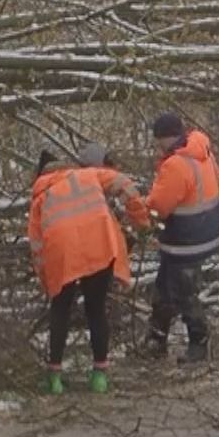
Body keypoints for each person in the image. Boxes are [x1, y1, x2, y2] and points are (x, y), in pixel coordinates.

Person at [28, 145, 150, 394]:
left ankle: (54, 378)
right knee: (96, 309)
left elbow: (37, 248)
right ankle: (99, 376)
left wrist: (47, 282)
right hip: (100, 245)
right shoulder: (88, 175)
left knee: (60, 309)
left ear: (41, 175)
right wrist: (141, 221)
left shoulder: (40, 196)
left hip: (63, 253)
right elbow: (123, 183)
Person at [142, 112, 219, 363]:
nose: (157, 148)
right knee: (165, 288)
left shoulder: (176, 165)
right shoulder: (203, 152)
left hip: (184, 240)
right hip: (204, 232)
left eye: (158, 142)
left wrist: (140, 211)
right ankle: (156, 339)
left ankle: (199, 343)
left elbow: (158, 206)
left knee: (183, 294)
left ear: (167, 139)